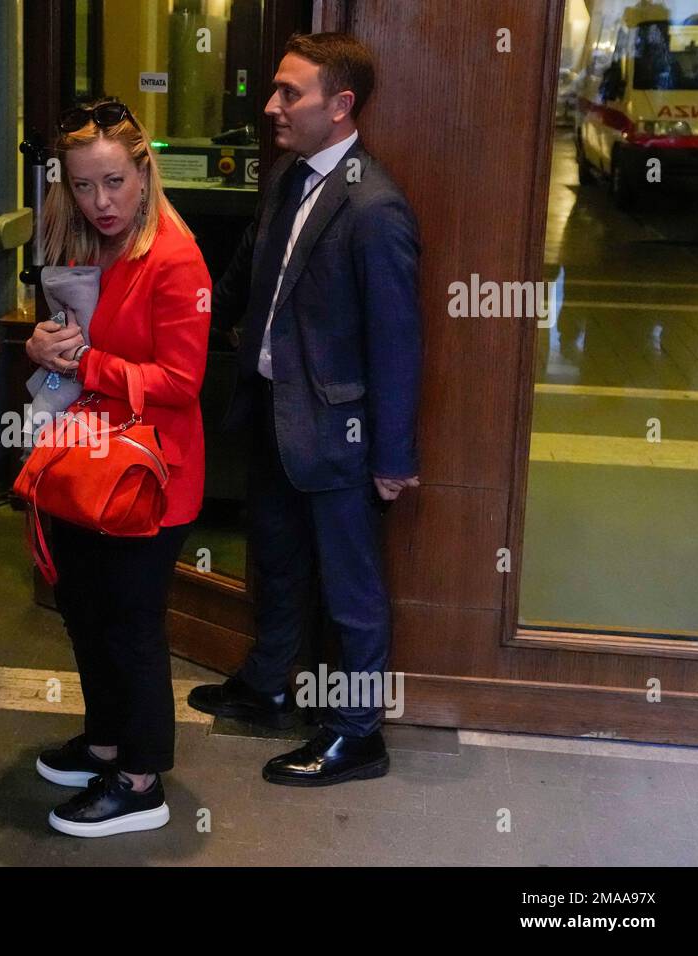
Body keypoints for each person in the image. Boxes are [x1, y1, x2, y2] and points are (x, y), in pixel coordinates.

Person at [190, 32, 421, 786]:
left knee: (351, 591)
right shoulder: (291, 177)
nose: (271, 107)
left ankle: (358, 735)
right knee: (278, 568)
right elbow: (245, 284)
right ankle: (266, 688)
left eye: (290, 94)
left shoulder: (375, 207)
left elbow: (397, 342)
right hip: (272, 417)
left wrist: (393, 458)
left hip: (338, 434)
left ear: (341, 105)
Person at [25, 99, 211, 837]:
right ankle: (104, 740)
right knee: (85, 610)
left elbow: (183, 381)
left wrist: (88, 364)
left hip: (151, 475)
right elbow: (69, 339)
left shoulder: (174, 255)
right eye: (81, 185)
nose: (99, 202)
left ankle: (140, 779)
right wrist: (43, 346)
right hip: (87, 458)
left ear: (143, 172)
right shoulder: (83, 240)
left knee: (131, 624)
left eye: (113, 183)